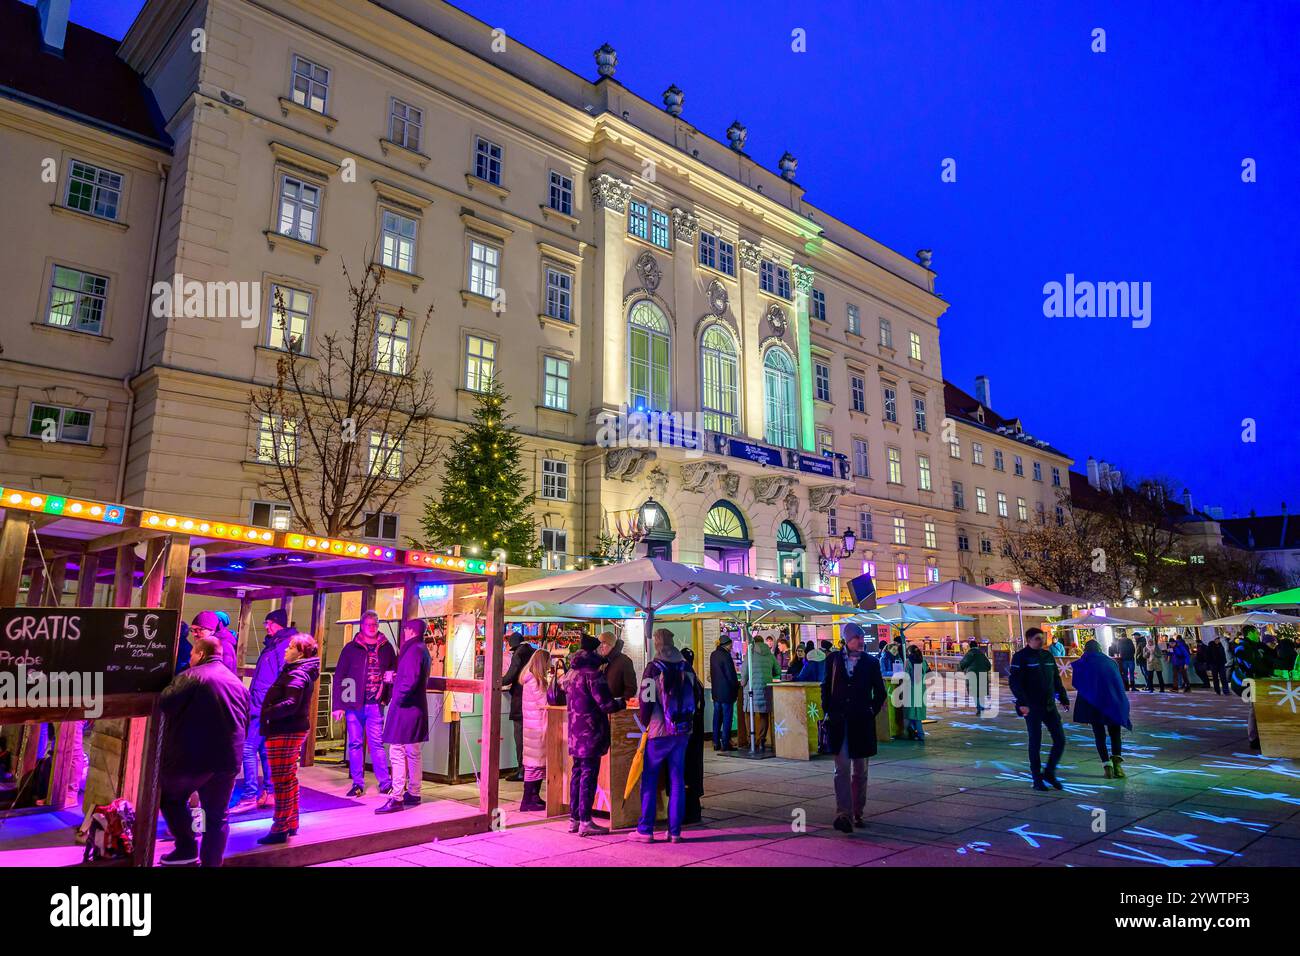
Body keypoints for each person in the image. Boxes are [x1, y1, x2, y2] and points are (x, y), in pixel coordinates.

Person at [157, 635, 250, 866]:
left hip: (193, 756)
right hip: (229, 758)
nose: (189, 659)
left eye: (191, 655)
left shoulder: (191, 676)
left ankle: (187, 847)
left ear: (200, 654)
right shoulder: (236, 682)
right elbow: (246, 718)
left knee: (170, 798)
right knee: (216, 815)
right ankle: (212, 863)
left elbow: (165, 703)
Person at [632, 629, 699, 843]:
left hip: (659, 731)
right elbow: (696, 695)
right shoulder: (686, 666)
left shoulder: (653, 668)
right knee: (677, 779)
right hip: (682, 731)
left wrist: (645, 723)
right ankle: (675, 831)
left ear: (657, 644)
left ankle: (645, 830)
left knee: (650, 780)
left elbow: (646, 701)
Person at [820, 622, 887, 833]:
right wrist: (828, 709)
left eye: (861, 637)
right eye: (855, 637)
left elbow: (880, 692)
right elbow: (825, 686)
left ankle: (858, 811)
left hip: (861, 723)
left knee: (860, 771)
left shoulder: (870, 662)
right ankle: (843, 814)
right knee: (841, 769)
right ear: (846, 640)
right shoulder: (833, 660)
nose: (859, 641)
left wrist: (870, 711)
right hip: (839, 723)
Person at [257, 633, 321, 844]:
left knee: (281, 780)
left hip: (285, 730)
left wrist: (267, 712)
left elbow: (291, 703)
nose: (286, 650)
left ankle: (280, 826)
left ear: (300, 652)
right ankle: (291, 821)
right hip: (291, 728)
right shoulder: (299, 671)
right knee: (289, 777)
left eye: (291, 647)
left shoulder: (298, 673)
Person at [231, 609, 295, 813]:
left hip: (265, 706)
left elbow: (281, 678)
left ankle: (250, 795)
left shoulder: (283, 646)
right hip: (261, 705)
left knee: (248, 748)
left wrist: (271, 704)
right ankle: (270, 792)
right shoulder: (273, 644)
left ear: (279, 624)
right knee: (264, 751)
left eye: (269, 623)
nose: (266, 626)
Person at [562, 634, 625, 835]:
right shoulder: (593, 675)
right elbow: (606, 705)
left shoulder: (571, 675)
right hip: (591, 733)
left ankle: (574, 818)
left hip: (575, 732)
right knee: (589, 775)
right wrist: (621, 703)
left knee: (577, 773)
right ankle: (586, 822)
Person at [331, 609, 396, 797]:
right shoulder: (351, 649)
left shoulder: (386, 647)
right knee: (355, 744)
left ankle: (385, 783)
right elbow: (340, 677)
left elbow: (394, 670)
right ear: (362, 625)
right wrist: (338, 705)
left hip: (375, 704)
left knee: (376, 744)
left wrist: (387, 694)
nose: (372, 628)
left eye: (375, 624)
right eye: (368, 624)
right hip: (353, 704)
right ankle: (357, 783)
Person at [377, 619, 432, 813]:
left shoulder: (413, 650)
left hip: (405, 709)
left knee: (397, 750)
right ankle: (414, 791)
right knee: (413, 751)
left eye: (405, 629)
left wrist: (396, 701)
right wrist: (396, 677)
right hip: (416, 708)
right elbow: (412, 677)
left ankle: (397, 796)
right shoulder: (422, 649)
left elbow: (409, 680)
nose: (403, 633)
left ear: (410, 631)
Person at [1008, 627, 1070, 791]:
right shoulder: (1021, 657)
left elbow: (1056, 678)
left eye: (1042, 638)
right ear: (1028, 640)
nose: (1041, 641)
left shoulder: (1047, 656)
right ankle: (1037, 778)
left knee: (1060, 740)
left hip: (1049, 705)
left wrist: (1063, 697)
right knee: (1035, 742)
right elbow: (1015, 681)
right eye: (1037, 638)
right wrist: (1022, 702)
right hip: (1032, 706)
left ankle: (1049, 772)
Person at [1070, 639, 1132, 779]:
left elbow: (1076, 683)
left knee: (1099, 735)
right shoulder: (1110, 662)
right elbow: (1118, 684)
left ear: (1085, 650)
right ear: (1099, 649)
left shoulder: (1082, 664)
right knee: (1115, 733)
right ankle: (1117, 766)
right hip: (1112, 702)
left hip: (1093, 704)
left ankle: (1106, 765)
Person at [499, 633, 536, 783]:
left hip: (520, 700)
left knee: (520, 736)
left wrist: (495, 681)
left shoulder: (519, 654)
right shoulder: (533, 652)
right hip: (532, 701)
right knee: (530, 738)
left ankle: (522, 769)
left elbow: (510, 676)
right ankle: (530, 769)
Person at [518, 646, 550, 812]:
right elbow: (544, 702)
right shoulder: (536, 681)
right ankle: (527, 800)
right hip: (537, 727)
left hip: (531, 726)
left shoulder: (529, 678)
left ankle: (533, 797)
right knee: (534, 764)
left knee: (535, 764)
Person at [739, 633, 782, 752]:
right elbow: (777, 670)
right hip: (765, 688)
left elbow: (745, 672)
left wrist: (743, 682)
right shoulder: (770, 654)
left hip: (751, 689)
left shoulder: (750, 653)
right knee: (764, 714)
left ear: (753, 642)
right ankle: (762, 740)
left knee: (749, 714)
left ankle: (751, 740)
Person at [679, 646, 707, 825]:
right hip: (696, 733)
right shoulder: (695, 678)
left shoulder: (685, 678)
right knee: (693, 770)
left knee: (687, 771)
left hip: (688, 733)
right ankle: (693, 808)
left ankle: (689, 811)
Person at [709, 635, 740, 751]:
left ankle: (716, 742)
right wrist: (736, 686)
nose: (732, 646)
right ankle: (725, 743)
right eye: (731, 644)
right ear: (727, 644)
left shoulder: (713, 655)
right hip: (726, 693)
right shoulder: (726, 656)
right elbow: (730, 675)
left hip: (716, 692)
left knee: (717, 718)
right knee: (727, 718)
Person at [596, 630, 638, 701]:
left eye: (604, 643)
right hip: (601, 706)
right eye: (599, 643)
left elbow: (631, 688)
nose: (601, 646)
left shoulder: (625, 661)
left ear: (611, 645)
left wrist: (620, 703)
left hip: (617, 708)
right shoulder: (600, 661)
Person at [956, 641, 992, 713]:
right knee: (981, 692)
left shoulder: (970, 653)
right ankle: (981, 707)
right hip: (982, 675)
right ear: (977, 646)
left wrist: (960, 669)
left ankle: (979, 708)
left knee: (975, 693)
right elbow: (988, 665)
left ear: (970, 646)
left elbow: (963, 663)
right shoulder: (982, 654)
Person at [902, 644, 929, 740]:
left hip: (911, 690)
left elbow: (905, 675)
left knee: (909, 713)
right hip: (921, 689)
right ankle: (919, 734)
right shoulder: (924, 662)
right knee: (917, 712)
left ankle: (908, 733)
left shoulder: (908, 662)